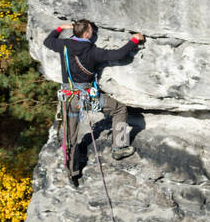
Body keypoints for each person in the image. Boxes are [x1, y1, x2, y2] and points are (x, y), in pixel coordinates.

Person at [44, 20, 144, 177]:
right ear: (86, 34)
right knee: (119, 109)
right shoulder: (92, 51)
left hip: (68, 99)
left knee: (70, 135)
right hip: (87, 98)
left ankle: (71, 172)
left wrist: (59, 28)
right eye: (91, 30)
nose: (93, 33)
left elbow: (47, 41)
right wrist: (134, 40)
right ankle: (119, 147)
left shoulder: (63, 45)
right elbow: (118, 54)